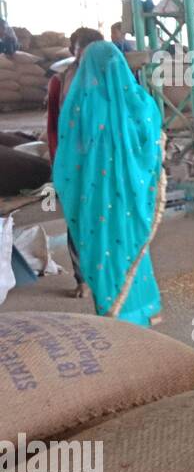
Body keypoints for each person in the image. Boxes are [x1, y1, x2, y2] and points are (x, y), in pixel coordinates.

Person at [52, 41, 165, 327]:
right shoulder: (139, 104)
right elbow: (153, 140)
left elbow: (67, 158)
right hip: (129, 197)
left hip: (93, 199)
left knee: (102, 251)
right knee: (129, 246)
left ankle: (110, 313)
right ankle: (138, 312)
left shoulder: (80, 108)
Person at [45, 27, 103, 299]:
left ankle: (107, 271)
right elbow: (53, 126)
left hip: (104, 158)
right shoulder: (60, 81)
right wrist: (58, 161)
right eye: (83, 52)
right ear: (73, 52)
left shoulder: (108, 77)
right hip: (74, 160)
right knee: (77, 219)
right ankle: (82, 277)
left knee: (107, 214)